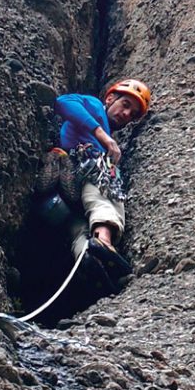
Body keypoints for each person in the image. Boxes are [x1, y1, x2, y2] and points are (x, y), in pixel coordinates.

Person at [54, 79, 151, 294]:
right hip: (85, 170)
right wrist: (101, 135)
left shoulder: (99, 123)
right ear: (110, 98)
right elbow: (63, 101)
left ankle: (88, 262)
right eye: (125, 105)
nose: (127, 114)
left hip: (68, 192)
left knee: (79, 229)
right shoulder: (95, 107)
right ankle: (104, 242)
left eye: (133, 114)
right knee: (109, 184)